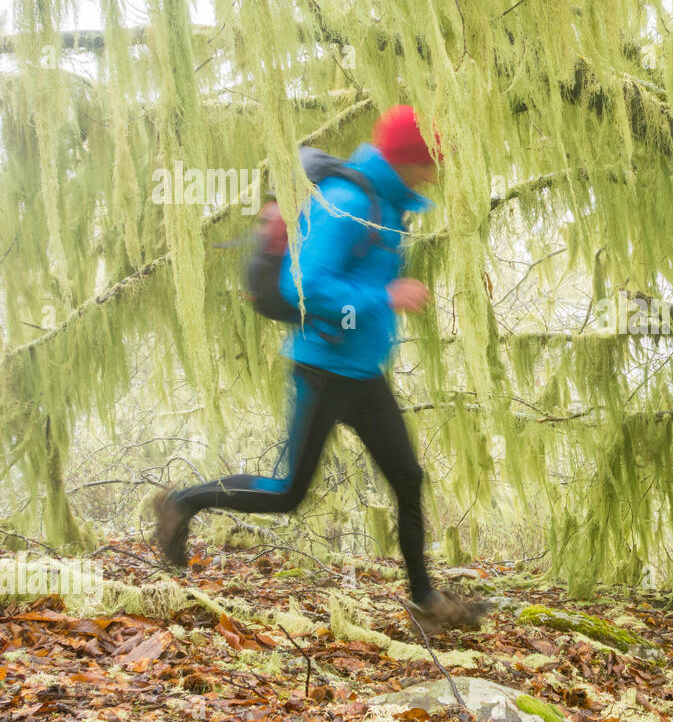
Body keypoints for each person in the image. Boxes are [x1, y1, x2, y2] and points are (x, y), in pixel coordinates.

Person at [151, 105, 488, 636]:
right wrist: (385, 297)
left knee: (407, 477)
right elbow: (302, 285)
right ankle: (181, 502)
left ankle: (424, 597)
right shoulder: (351, 200)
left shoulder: (388, 203)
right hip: (322, 371)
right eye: (429, 162)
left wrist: (376, 306)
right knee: (288, 492)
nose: (434, 173)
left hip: (362, 373)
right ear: (406, 161)